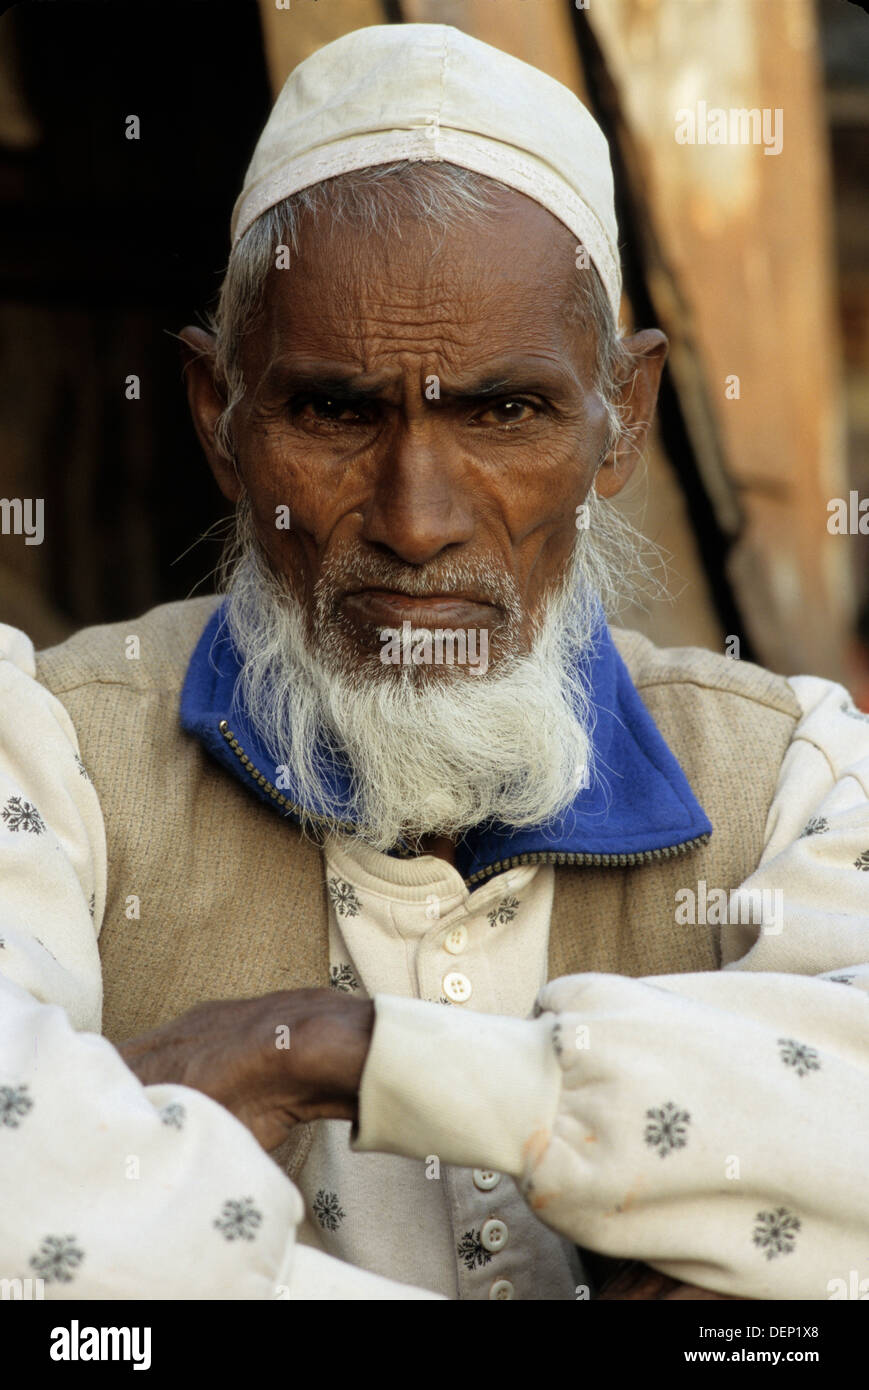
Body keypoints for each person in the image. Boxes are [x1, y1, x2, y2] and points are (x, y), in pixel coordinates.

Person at [2, 23, 867, 1302]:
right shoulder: (51, 754)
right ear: (219, 417)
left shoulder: (792, 780)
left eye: (503, 412)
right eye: (336, 412)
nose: (417, 520)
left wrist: (345, 1055)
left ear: (619, 419)